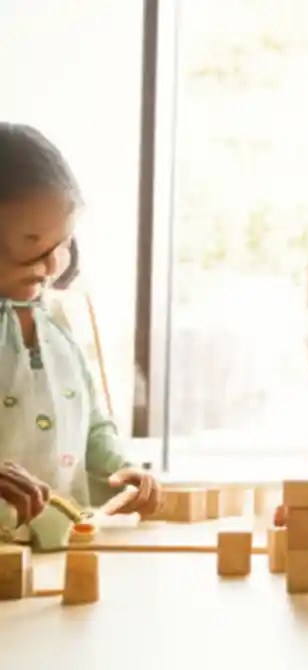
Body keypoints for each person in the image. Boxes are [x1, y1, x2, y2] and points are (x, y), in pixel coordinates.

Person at [0, 123, 160, 534]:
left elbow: (90, 422)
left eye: (63, 242)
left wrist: (121, 468)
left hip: (60, 549)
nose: (52, 264)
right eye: (31, 241)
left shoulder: (56, 325)